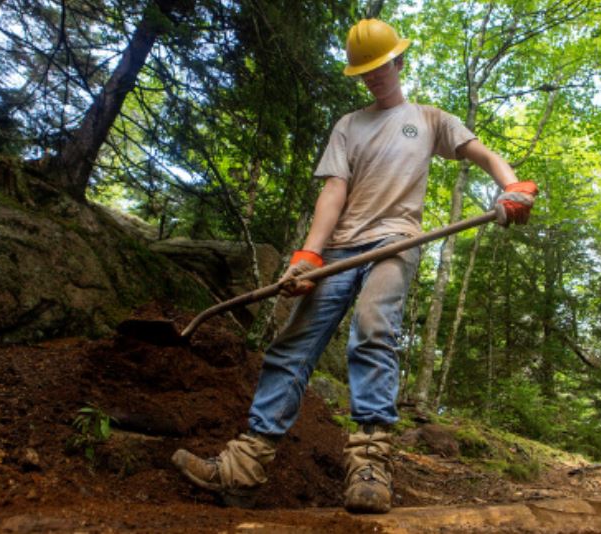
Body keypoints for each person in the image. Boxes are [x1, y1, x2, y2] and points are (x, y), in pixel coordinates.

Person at [171, 18, 537, 513]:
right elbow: (333, 191)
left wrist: (512, 186)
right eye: (365, 71)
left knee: (372, 326)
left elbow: (483, 154)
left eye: (381, 66)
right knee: (292, 344)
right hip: (342, 248)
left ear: (399, 61)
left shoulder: (430, 119)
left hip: (398, 240)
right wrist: (308, 254)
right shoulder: (348, 125)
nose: (374, 77)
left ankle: (369, 463)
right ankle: (245, 467)